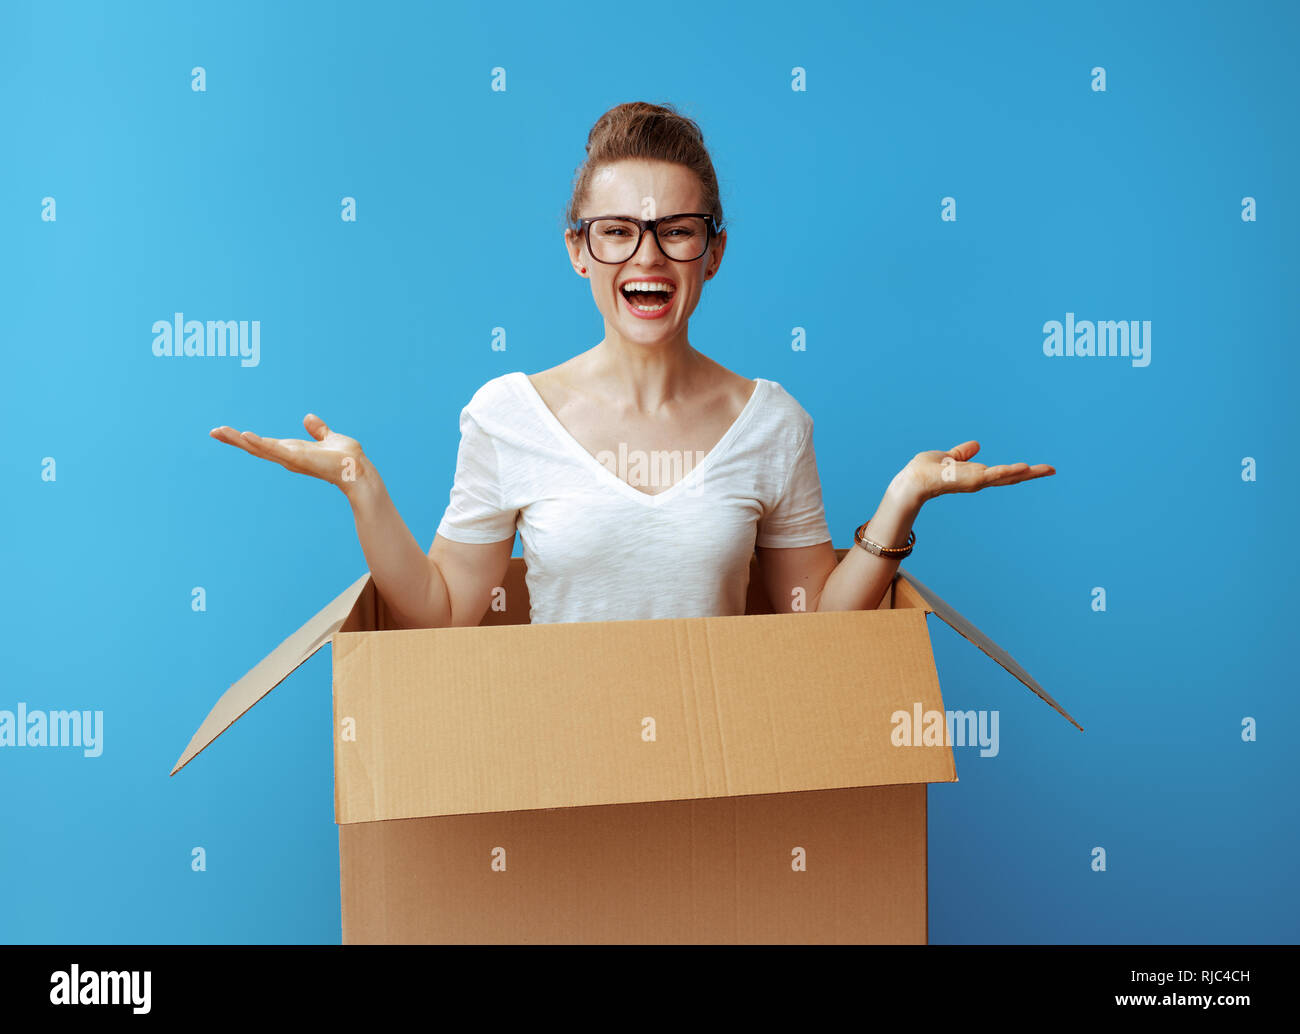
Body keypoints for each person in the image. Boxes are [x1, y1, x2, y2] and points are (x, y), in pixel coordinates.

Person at [210, 101, 1053, 628]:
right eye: (617, 232)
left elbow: (816, 623)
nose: (646, 256)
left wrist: (901, 501)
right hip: (562, 771)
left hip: (717, 771)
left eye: (676, 231)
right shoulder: (507, 415)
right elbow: (443, 611)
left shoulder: (774, 423)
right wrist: (360, 483)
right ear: (579, 251)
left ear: (713, 253)